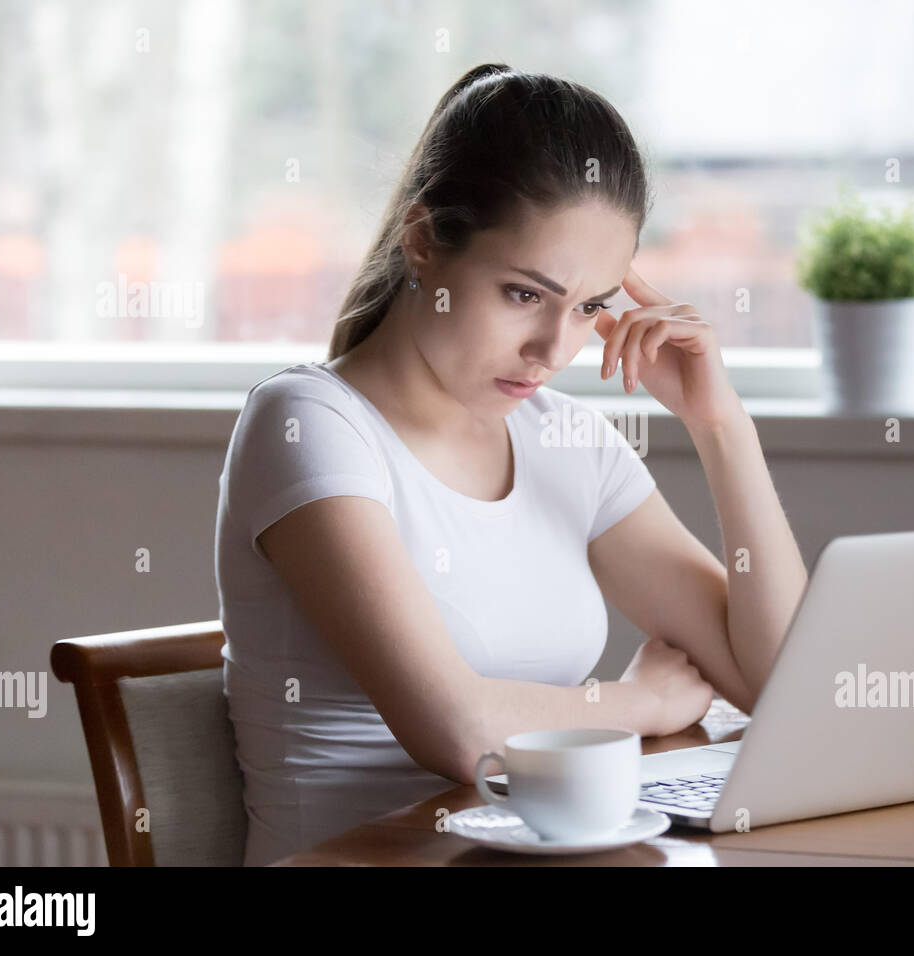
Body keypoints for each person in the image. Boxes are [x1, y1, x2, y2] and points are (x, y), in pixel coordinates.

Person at [214, 63, 809, 866]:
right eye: (525, 295)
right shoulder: (310, 424)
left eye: (591, 307)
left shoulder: (567, 440)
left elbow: (783, 692)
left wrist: (720, 422)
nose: (553, 350)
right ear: (423, 241)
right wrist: (634, 703)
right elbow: (459, 731)